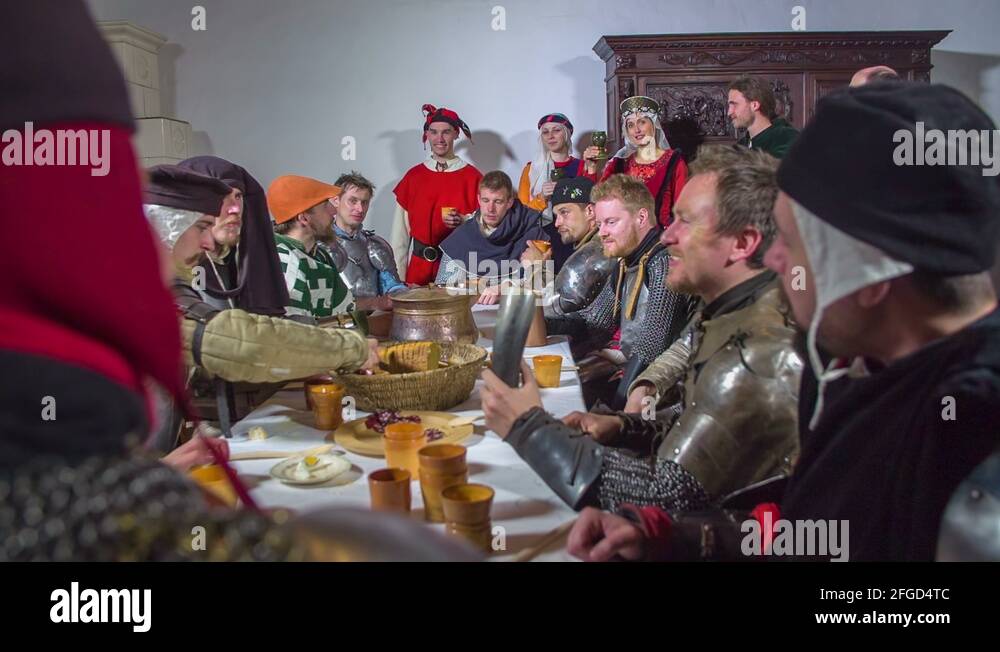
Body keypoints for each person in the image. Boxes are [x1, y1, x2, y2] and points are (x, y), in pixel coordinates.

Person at [566, 82, 1000, 562]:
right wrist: (676, 537)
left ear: (869, 272)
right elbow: (818, 534)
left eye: (790, 244)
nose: (773, 260)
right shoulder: (852, 360)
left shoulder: (973, 449)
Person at [481, 145, 801, 514]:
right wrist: (622, 425)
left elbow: (670, 493)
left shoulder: (756, 352)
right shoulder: (731, 310)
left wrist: (529, 428)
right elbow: (693, 418)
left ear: (743, 243)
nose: (667, 236)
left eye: (687, 222)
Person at [545, 174, 692, 402]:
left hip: (664, 392)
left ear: (641, 217)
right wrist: (538, 321)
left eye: (611, 222)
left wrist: (619, 410)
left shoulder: (663, 263)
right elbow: (594, 322)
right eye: (601, 223)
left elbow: (651, 349)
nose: (602, 232)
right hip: (635, 372)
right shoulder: (627, 262)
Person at [178, 155, 290, 315]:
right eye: (223, 197)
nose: (235, 208)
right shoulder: (174, 267)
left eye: (238, 196)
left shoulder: (238, 260)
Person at [391, 104, 483, 285]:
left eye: (446, 132)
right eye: (433, 132)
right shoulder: (413, 177)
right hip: (417, 272)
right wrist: (397, 282)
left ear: (456, 134)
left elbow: (488, 228)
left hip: (457, 271)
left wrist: (463, 220)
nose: (439, 138)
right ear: (427, 135)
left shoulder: (473, 178)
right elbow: (399, 238)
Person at [434, 171, 548, 304]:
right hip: (472, 318)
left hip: (519, 317)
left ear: (509, 202)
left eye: (498, 201)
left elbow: (545, 284)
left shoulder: (532, 234)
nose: (490, 209)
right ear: (478, 200)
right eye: (485, 200)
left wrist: (507, 289)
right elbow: (443, 291)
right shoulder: (462, 237)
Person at [582, 96, 688, 228]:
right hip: (624, 238)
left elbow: (683, 210)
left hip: (659, 241)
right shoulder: (618, 165)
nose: (636, 129)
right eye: (630, 125)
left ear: (654, 124)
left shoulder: (674, 163)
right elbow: (596, 204)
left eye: (642, 122)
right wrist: (591, 168)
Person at [268, 174, 356, 320]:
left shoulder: (320, 255)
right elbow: (292, 331)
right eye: (325, 206)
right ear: (304, 218)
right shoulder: (281, 260)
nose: (334, 212)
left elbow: (346, 314)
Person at [326, 171, 406, 312]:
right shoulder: (319, 246)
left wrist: (407, 294)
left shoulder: (376, 246)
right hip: (332, 325)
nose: (360, 209)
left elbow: (392, 288)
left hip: (373, 325)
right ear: (336, 201)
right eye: (353, 201)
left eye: (365, 202)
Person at [543, 176, 615, 318]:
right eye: (556, 215)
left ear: (590, 211)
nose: (557, 223)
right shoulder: (593, 244)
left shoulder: (596, 251)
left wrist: (536, 268)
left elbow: (550, 308)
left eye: (564, 212)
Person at [727, 75, 799, 159]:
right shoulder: (740, 147)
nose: (729, 112)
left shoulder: (788, 138)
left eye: (734, 105)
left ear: (754, 105)